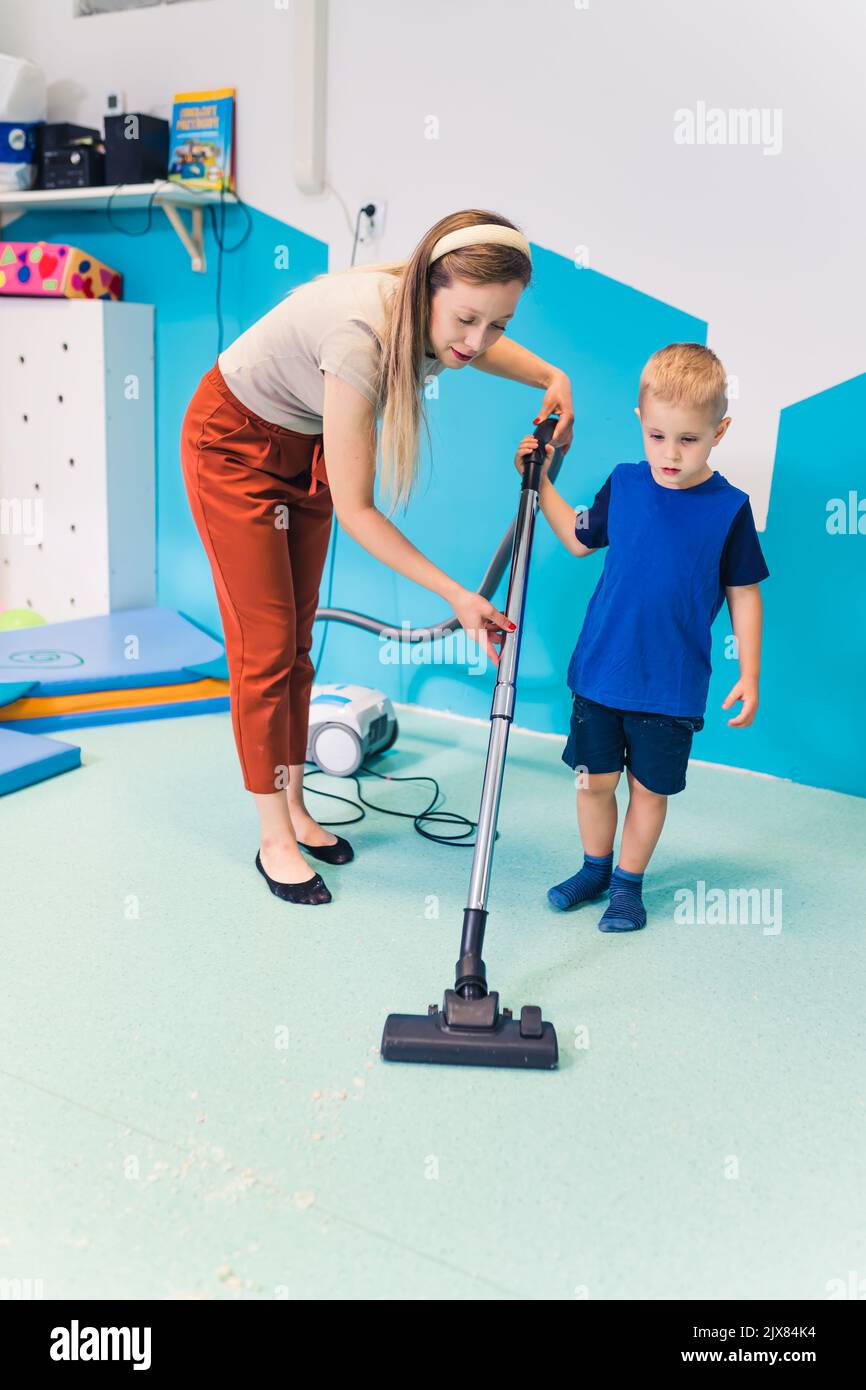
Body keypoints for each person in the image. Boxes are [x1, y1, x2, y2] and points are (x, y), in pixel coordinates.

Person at [180, 208, 575, 905]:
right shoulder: (361, 337)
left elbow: (474, 346)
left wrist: (551, 375)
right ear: (427, 288)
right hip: (234, 445)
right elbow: (360, 512)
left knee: (295, 642)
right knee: (265, 647)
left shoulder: (436, 318)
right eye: (465, 320)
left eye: (499, 324)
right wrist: (457, 596)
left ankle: (297, 806)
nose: (477, 342)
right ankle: (274, 837)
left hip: (302, 442)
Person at [513, 342, 769, 931]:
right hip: (602, 671)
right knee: (593, 783)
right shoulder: (625, 485)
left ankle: (628, 886)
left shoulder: (729, 509)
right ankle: (594, 868)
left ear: (719, 431)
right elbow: (579, 538)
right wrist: (538, 479)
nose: (671, 454)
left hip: (670, 688)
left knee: (649, 793)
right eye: (657, 437)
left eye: (688, 439)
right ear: (640, 423)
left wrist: (750, 674)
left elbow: (744, 593)